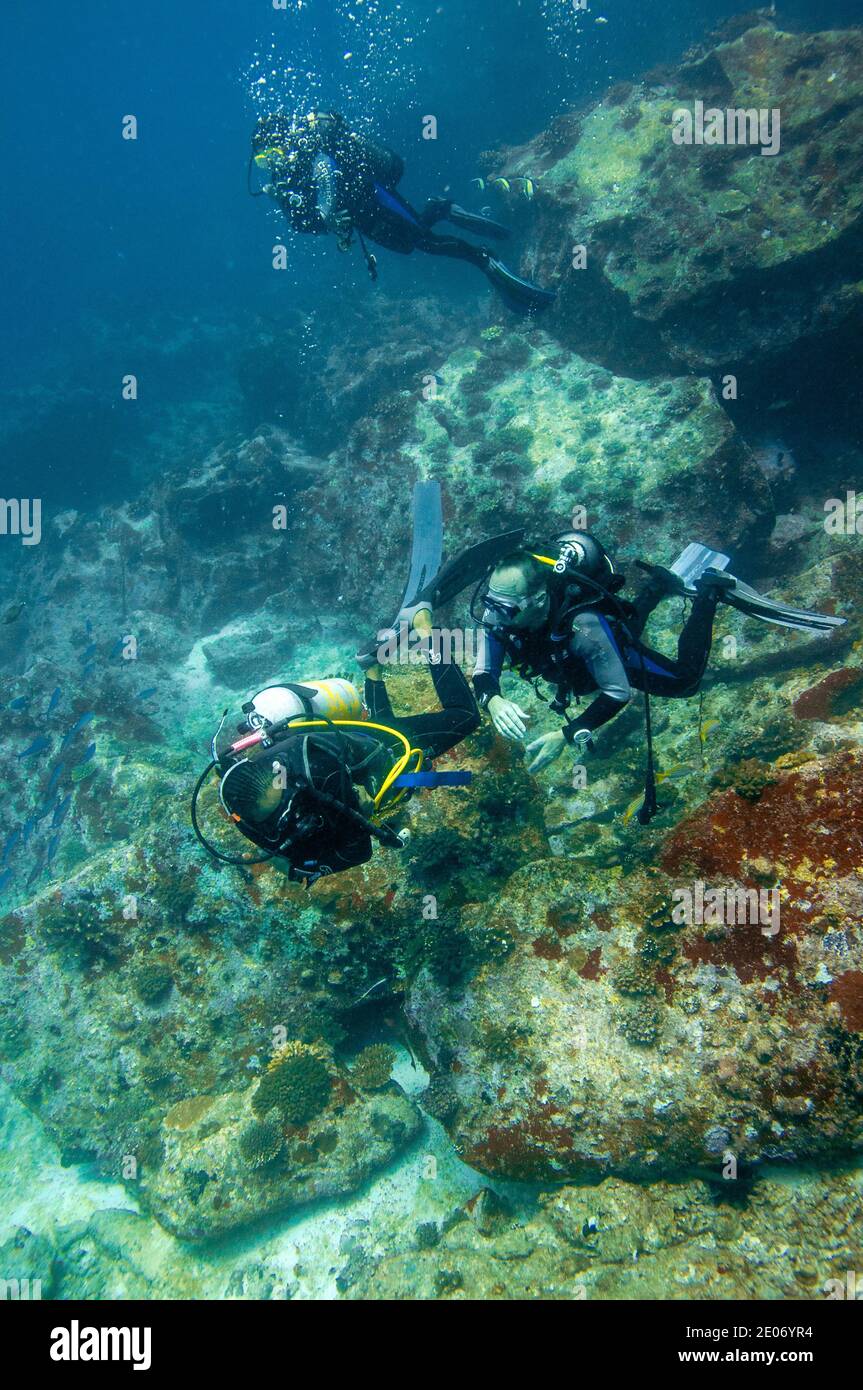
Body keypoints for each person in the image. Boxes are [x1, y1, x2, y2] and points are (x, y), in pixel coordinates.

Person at [469, 531, 845, 784]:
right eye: (491, 602)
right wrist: (495, 699)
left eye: (506, 606)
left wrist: (565, 733)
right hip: (577, 659)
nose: (494, 614)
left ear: (536, 600)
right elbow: (483, 670)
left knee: (683, 681)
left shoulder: (583, 625)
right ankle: (660, 584)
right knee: (627, 626)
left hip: (592, 649)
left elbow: (617, 692)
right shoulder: (499, 616)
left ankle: (710, 592)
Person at [191, 608, 480, 884]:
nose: (288, 812)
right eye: (277, 813)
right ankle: (372, 668)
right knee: (382, 730)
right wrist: (299, 862)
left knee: (464, 717)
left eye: (286, 801)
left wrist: (308, 863)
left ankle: (426, 631)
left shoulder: (318, 777)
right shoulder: (244, 811)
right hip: (350, 744)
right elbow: (291, 856)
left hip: (374, 746)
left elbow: (359, 849)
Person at [249, 110, 555, 312]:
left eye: (273, 154)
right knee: (411, 245)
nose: (272, 163)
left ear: (285, 141)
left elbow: (326, 175)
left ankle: (483, 258)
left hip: (374, 196)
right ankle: (442, 208)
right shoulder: (285, 179)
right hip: (361, 218)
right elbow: (307, 224)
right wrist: (285, 201)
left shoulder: (309, 147)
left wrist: (327, 211)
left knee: (426, 241)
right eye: (264, 160)